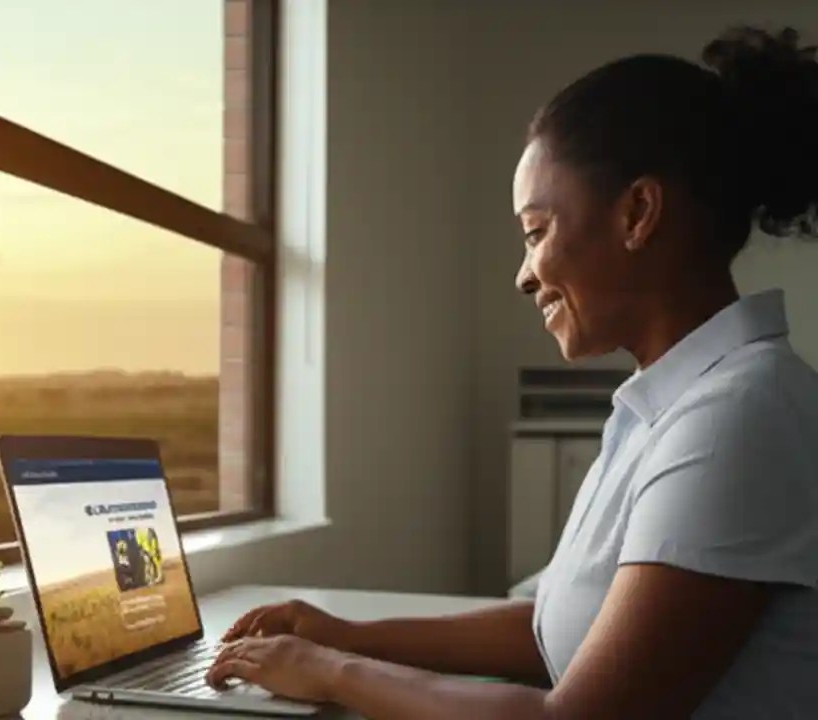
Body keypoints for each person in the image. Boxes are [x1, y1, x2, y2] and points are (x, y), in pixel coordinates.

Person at [206, 25, 818, 719]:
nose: (525, 276)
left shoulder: (739, 417)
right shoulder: (672, 407)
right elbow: (551, 627)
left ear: (639, 212)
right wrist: (344, 635)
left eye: (536, 232)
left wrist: (333, 672)